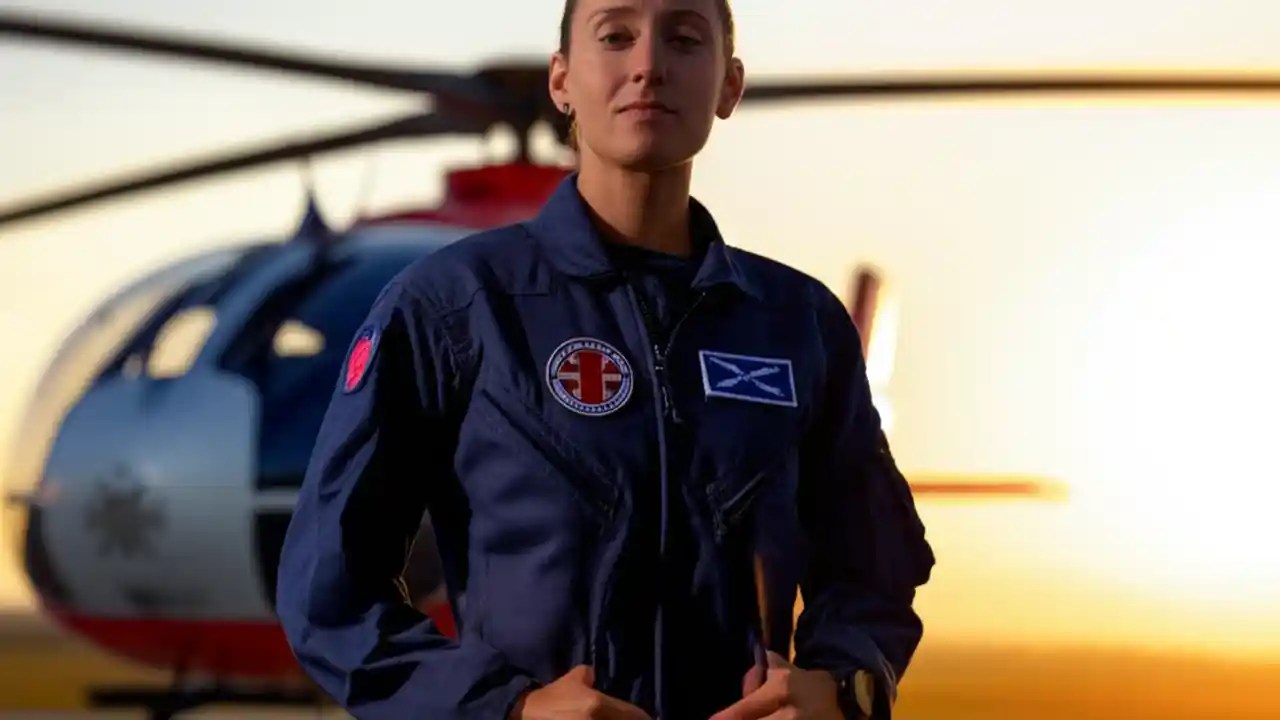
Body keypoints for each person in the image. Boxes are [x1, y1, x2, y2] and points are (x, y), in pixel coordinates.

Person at [273, 0, 935, 718]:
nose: (648, 65)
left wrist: (844, 683)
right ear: (561, 81)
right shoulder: (456, 306)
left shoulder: (796, 321)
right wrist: (507, 710)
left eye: (684, 39)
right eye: (615, 37)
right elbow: (328, 589)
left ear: (729, 86)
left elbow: (875, 564)